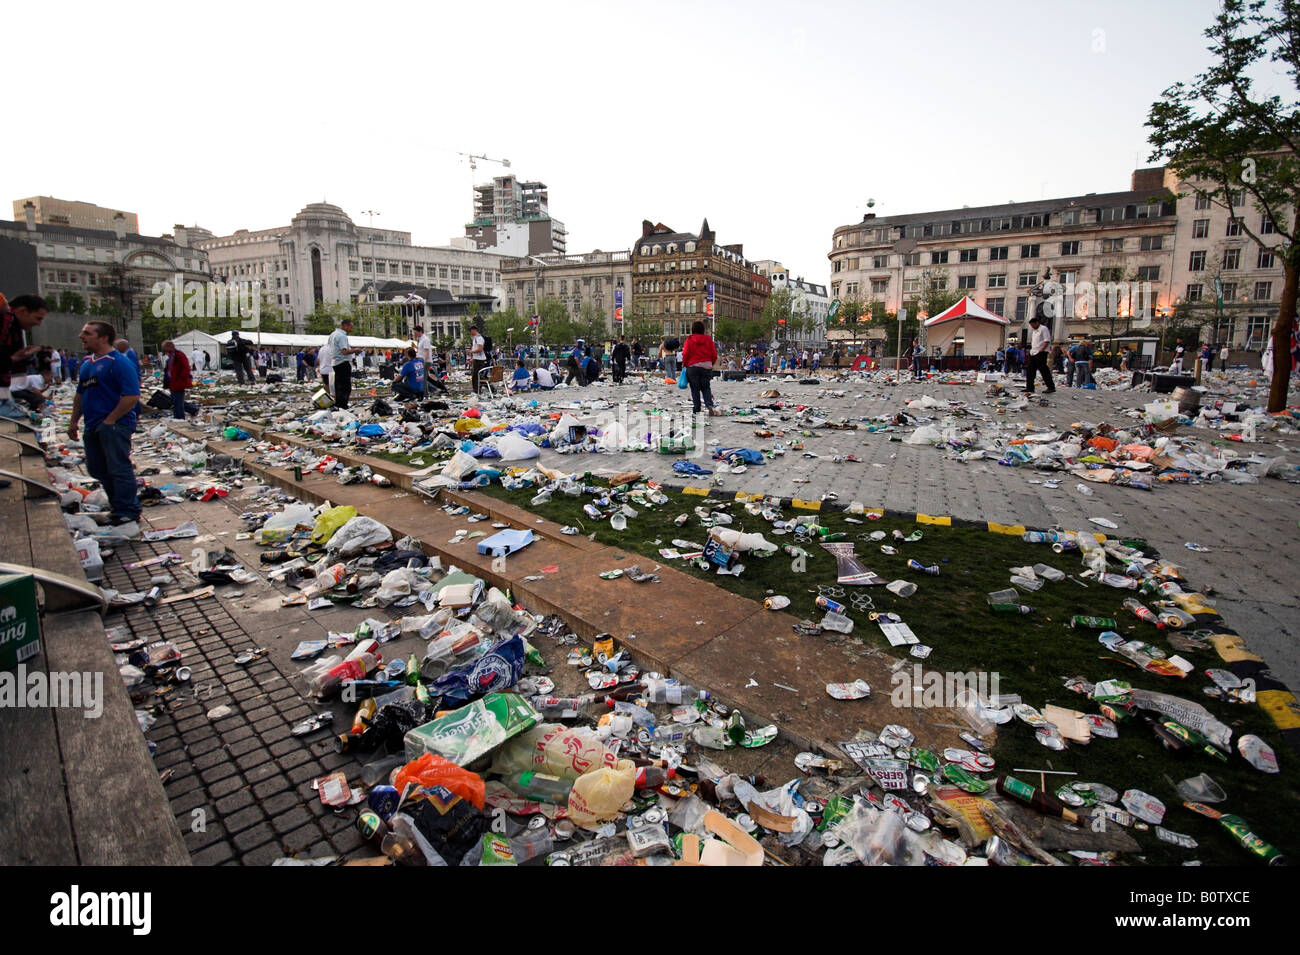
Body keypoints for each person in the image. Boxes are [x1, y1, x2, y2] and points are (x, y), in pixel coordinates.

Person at [68, 320, 140, 532]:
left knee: (118, 467)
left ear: (103, 337)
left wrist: (110, 420)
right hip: (92, 426)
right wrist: (74, 421)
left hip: (115, 426)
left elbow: (132, 396)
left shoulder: (118, 362)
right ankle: (118, 507)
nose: (82, 336)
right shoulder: (88, 363)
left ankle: (128, 510)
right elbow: (80, 395)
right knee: (98, 468)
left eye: (87, 333)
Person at [0, 294, 48, 418]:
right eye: (38, 318)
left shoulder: (12, 327)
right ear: (22, 311)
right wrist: (13, 359)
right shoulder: (6, 322)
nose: (39, 324)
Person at [682, 320, 721, 416]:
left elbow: (686, 353)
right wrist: (710, 363)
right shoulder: (708, 339)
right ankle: (709, 404)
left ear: (692, 330)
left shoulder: (689, 340)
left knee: (695, 389)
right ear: (703, 330)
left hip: (693, 367)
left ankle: (697, 408)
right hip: (706, 366)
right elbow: (714, 354)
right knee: (706, 387)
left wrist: (684, 364)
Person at [329, 318, 359, 409]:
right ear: (345, 326)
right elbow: (344, 351)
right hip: (343, 362)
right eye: (350, 326)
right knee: (345, 386)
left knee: (338, 385)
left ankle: (338, 404)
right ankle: (343, 404)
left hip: (335, 362)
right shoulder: (342, 336)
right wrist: (355, 350)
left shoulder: (333, 334)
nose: (351, 329)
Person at [161, 339, 192, 420]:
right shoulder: (172, 357)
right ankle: (178, 416)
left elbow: (186, 368)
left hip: (178, 383)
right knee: (176, 401)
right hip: (173, 383)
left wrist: (181, 380)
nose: (165, 353)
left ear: (169, 347)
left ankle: (179, 418)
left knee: (178, 402)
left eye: (165, 350)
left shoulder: (178, 355)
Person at [1024, 315, 1056, 394]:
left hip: (1041, 352)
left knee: (1043, 370)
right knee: (1030, 370)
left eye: (1033, 325)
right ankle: (1030, 387)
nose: (1032, 327)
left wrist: (1041, 350)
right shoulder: (1034, 331)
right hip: (1033, 352)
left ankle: (1051, 387)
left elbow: (1047, 340)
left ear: (1037, 323)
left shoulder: (1043, 329)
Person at [468, 319, 487, 395]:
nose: (470, 332)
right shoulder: (475, 338)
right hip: (477, 358)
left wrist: (471, 352)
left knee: (475, 376)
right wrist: (473, 357)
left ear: (473, 330)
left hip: (479, 360)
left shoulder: (479, 338)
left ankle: (476, 390)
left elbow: (480, 349)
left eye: (470, 330)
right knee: (478, 376)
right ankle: (482, 388)